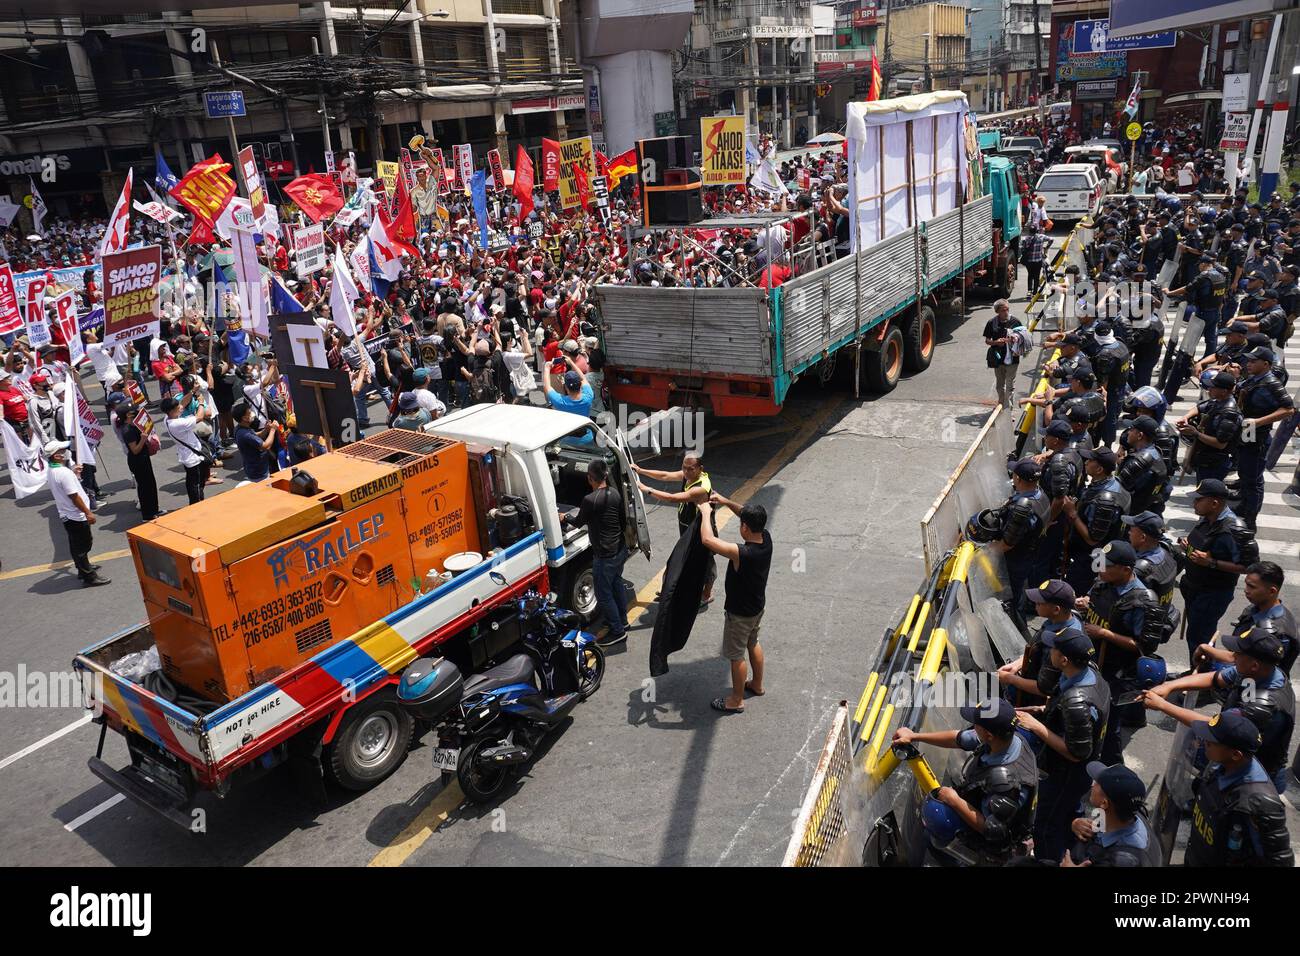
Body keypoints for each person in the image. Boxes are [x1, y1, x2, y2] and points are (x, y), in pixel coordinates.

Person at [893, 699, 1037, 865]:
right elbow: (959, 738)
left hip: (994, 842)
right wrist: (914, 736)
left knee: (936, 815)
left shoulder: (1006, 784)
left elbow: (993, 829)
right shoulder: (1007, 737)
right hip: (988, 806)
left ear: (989, 735)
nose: (973, 726)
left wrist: (954, 801)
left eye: (976, 724)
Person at [1015, 624, 1110, 862]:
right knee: (1068, 815)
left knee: (1046, 826)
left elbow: (1075, 753)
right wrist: (1040, 712)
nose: (1050, 653)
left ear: (1065, 659)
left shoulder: (1077, 701)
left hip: (1066, 772)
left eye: (1054, 650)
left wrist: (1036, 726)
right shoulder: (1090, 676)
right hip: (1079, 772)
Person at [1161, 711, 1293, 867]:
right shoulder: (1220, 764)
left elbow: (1279, 860)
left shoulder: (1259, 803)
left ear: (1236, 755)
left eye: (1211, 742)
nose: (1204, 742)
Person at [1075, 540, 1165, 762]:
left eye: (1107, 565)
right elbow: (1095, 600)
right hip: (1094, 662)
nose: (1100, 568)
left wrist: (1105, 634)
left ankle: (1111, 771)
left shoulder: (1143, 601)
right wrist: (1086, 602)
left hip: (1118, 671)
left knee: (1109, 725)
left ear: (1126, 570)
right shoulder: (1104, 582)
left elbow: (1144, 646)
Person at [700, 496, 771, 714]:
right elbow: (746, 514)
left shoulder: (744, 553)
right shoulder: (765, 538)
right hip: (756, 607)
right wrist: (723, 500)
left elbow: (708, 541)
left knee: (736, 655)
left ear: (746, 528)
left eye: (742, 524)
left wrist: (704, 512)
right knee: (753, 642)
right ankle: (757, 685)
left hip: (739, 614)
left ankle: (736, 700)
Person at [1178, 478, 1260, 659]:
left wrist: (1212, 563)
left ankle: (1203, 678)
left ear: (1214, 503)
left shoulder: (1233, 530)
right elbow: (1202, 549)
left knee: (1200, 637)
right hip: (1195, 589)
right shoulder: (1209, 518)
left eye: (1199, 499)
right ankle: (1199, 670)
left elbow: (1250, 567)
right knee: (1197, 636)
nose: (1195, 503)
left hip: (1212, 594)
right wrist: (1188, 546)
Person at [560, 459, 629, 648]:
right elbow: (622, 522)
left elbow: (578, 522)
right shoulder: (614, 493)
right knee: (616, 584)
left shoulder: (590, 500)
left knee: (603, 594)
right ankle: (622, 620)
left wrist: (564, 516)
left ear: (590, 478)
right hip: (619, 550)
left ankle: (618, 631)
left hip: (605, 556)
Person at [634, 452, 717, 609]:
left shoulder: (701, 487)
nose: (686, 472)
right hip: (687, 528)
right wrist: (640, 470)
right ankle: (673, 589)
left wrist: (646, 489)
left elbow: (673, 498)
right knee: (683, 562)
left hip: (701, 531)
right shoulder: (689, 475)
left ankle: (706, 595)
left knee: (705, 564)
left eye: (690, 469)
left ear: (700, 468)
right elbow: (665, 475)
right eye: (684, 468)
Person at [1234, 346, 1294, 529]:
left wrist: (1258, 422)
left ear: (1266, 364)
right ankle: (1244, 507)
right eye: (1249, 360)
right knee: (1244, 473)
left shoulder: (1271, 383)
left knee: (1253, 480)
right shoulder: (1253, 378)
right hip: (1246, 433)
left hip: (1257, 436)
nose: (1249, 364)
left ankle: (1250, 520)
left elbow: (1288, 409)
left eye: (1253, 361)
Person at [1063, 762, 1162, 867]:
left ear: (1104, 803)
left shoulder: (1123, 861)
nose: (1092, 784)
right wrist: (1076, 823)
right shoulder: (1128, 811)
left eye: (1097, 783)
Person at [45, 440, 110, 587]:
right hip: (75, 515)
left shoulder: (53, 470)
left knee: (76, 544)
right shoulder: (63, 473)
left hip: (67, 514)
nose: (64, 452)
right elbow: (74, 496)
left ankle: (83, 567)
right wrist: (88, 513)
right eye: (61, 451)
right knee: (83, 544)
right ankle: (89, 576)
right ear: (56, 456)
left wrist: (73, 473)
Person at [1174, 371, 1240, 483]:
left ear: (1224, 391)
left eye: (1213, 387)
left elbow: (1220, 444)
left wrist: (1196, 433)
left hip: (1215, 463)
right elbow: (1200, 408)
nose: (1209, 389)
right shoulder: (1217, 401)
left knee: (1208, 495)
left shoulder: (1229, 413)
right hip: (1204, 458)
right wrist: (1186, 417)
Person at [110, 393, 163, 521]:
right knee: (144, 487)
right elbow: (135, 450)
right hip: (137, 460)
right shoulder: (127, 430)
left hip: (144, 458)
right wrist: (143, 439)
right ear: (128, 415)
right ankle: (148, 515)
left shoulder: (133, 425)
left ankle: (154, 509)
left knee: (150, 484)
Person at [161, 393, 214, 504]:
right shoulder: (177, 423)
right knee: (196, 484)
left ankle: (197, 502)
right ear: (171, 411)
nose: (180, 408)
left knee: (193, 482)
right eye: (177, 408)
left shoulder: (167, 418)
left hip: (189, 455)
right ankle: (197, 505)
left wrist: (191, 392)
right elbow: (199, 417)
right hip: (193, 458)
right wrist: (200, 402)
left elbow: (182, 404)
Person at [983, 298, 1022, 410]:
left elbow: (1024, 338)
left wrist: (1015, 339)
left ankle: (1008, 410)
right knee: (1000, 385)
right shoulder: (991, 323)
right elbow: (987, 340)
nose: (1006, 313)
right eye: (1003, 310)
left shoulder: (1015, 322)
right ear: (997, 312)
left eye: (1007, 310)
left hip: (1013, 359)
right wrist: (996, 342)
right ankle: (1001, 404)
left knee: (1010, 386)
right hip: (998, 359)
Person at [232, 401, 281, 482]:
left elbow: (255, 436)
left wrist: (266, 430)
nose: (252, 414)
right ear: (244, 418)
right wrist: (272, 430)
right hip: (258, 472)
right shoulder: (245, 434)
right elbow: (266, 446)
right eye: (249, 412)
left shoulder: (241, 428)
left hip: (255, 467)